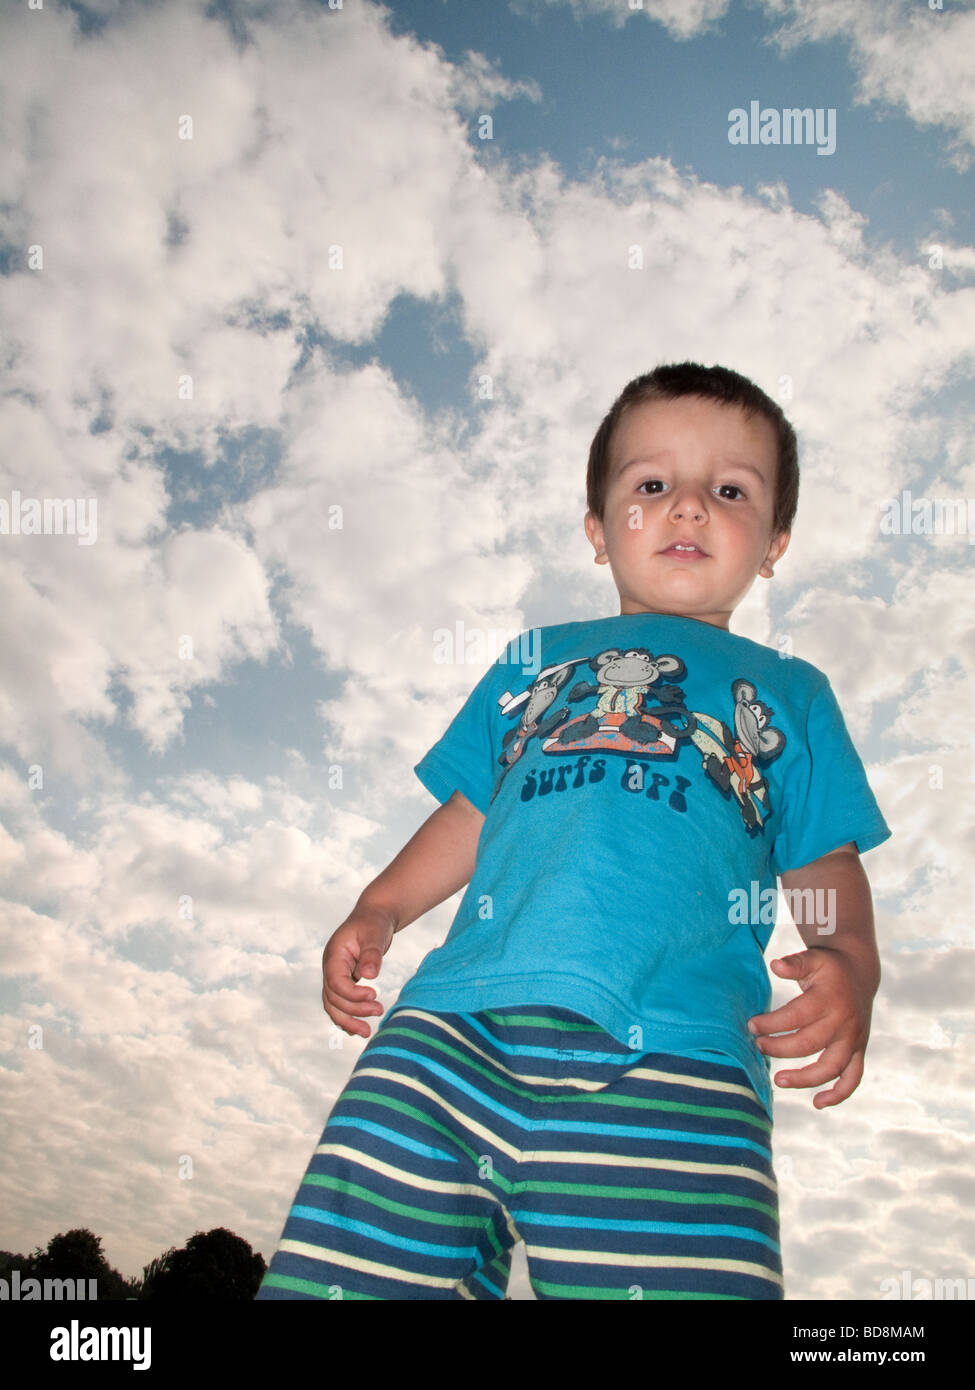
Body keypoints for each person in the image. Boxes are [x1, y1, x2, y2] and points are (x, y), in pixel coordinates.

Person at [255, 361, 891, 1301]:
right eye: (649, 485)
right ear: (598, 531)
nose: (684, 507)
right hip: (449, 1031)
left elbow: (820, 855)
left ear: (772, 544)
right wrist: (380, 907)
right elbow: (474, 808)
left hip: (673, 1057)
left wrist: (850, 960)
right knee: (352, 1274)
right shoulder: (536, 660)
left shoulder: (791, 694)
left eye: (726, 489)